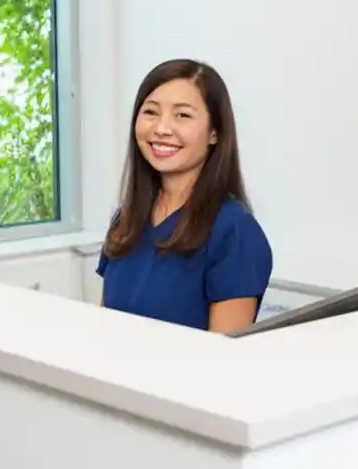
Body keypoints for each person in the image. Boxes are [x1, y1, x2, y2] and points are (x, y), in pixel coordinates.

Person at [96, 58, 273, 333]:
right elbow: (104, 326)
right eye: (151, 112)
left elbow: (223, 359)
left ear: (215, 133)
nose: (162, 128)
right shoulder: (126, 219)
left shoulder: (234, 231)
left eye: (182, 115)